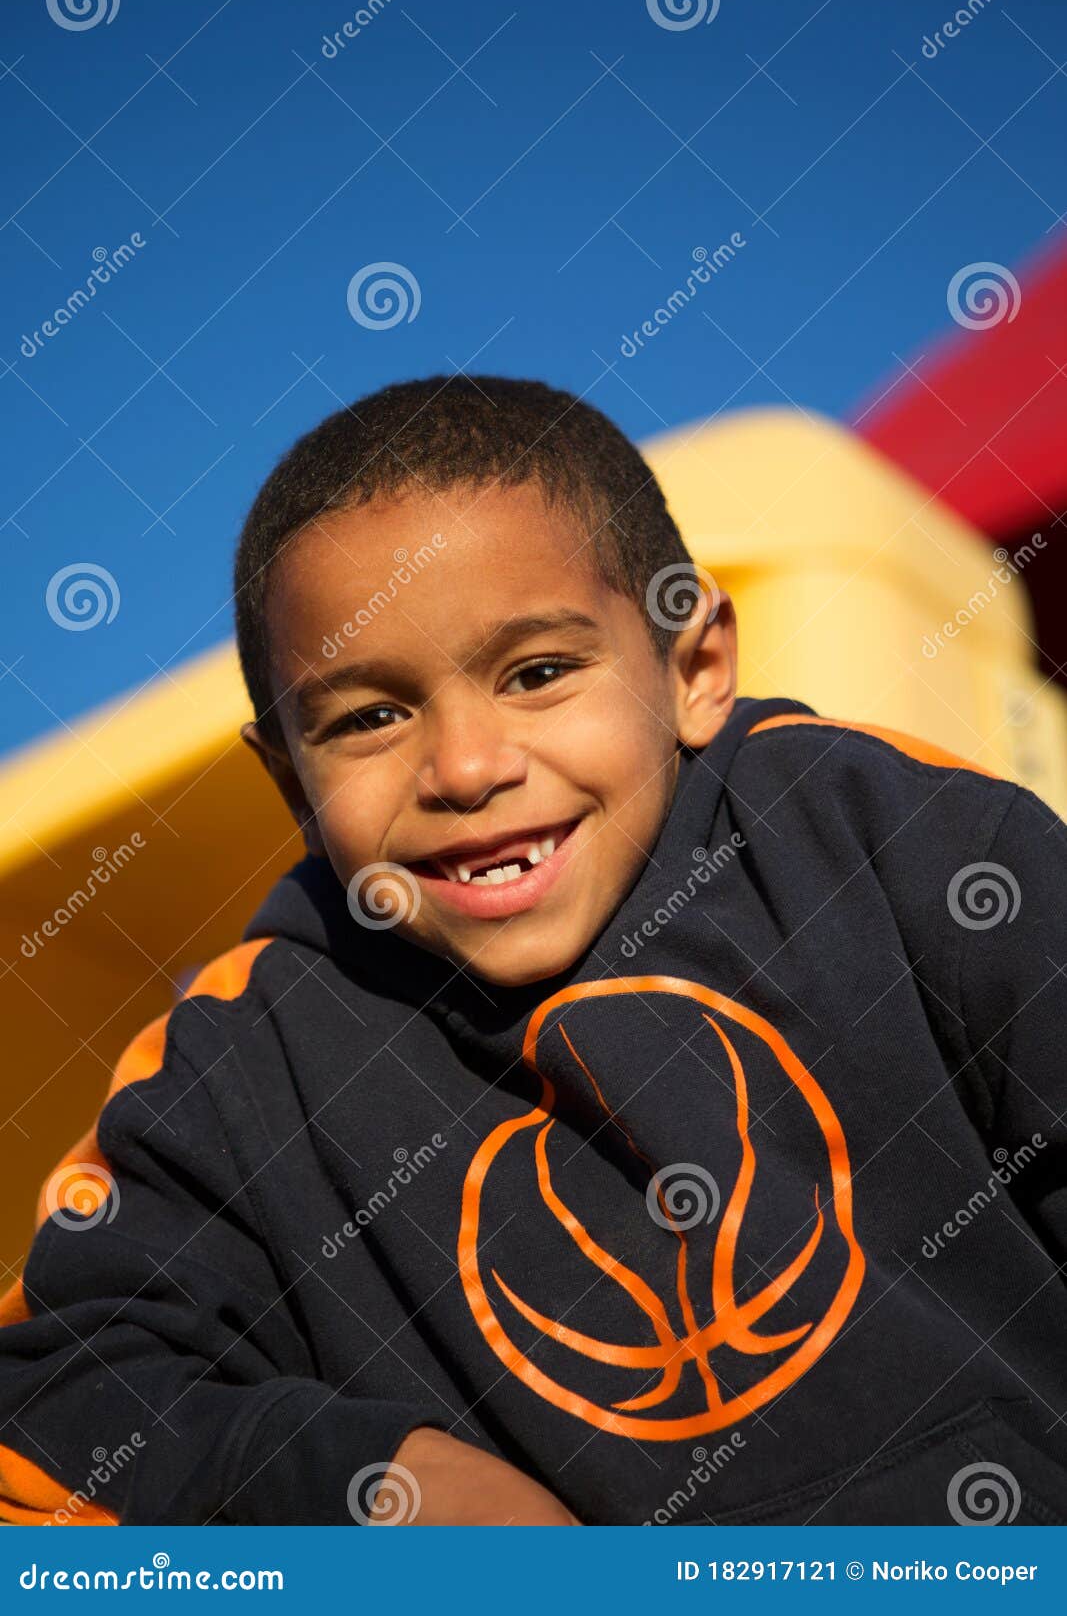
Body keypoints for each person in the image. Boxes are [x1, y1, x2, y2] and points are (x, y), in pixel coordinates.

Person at [1, 376, 1065, 1527]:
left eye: (538, 673)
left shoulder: (876, 834)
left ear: (693, 668)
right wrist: (379, 1481)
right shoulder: (240, 1062)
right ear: (291, 787)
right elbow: (54, 1389)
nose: (465, 768)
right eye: (368, 718)